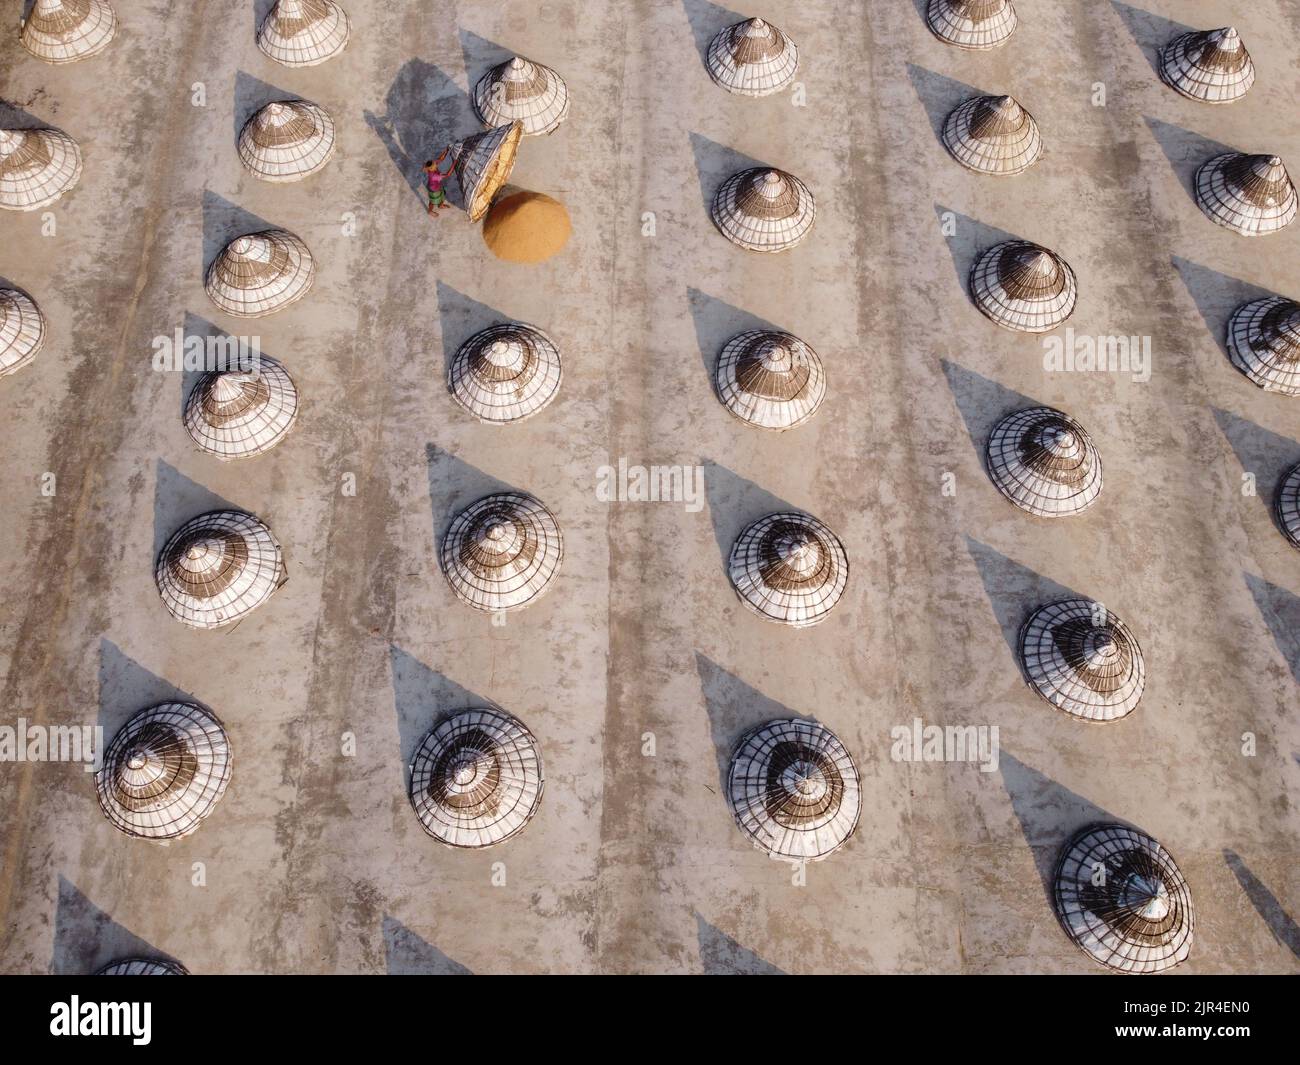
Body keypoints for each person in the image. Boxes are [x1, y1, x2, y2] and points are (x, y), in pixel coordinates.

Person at [423, 149, 453, 218]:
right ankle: (430, 211)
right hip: (434, 190)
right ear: (432, 168)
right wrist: (454, 162)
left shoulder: (431, 166)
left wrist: (446, 151)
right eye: (435, 165)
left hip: (437, 186)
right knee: (433, 201)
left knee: (442, 195)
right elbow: (448, 174)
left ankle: (440, 205)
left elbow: (440, 159)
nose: (436, 164)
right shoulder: (434, 175)